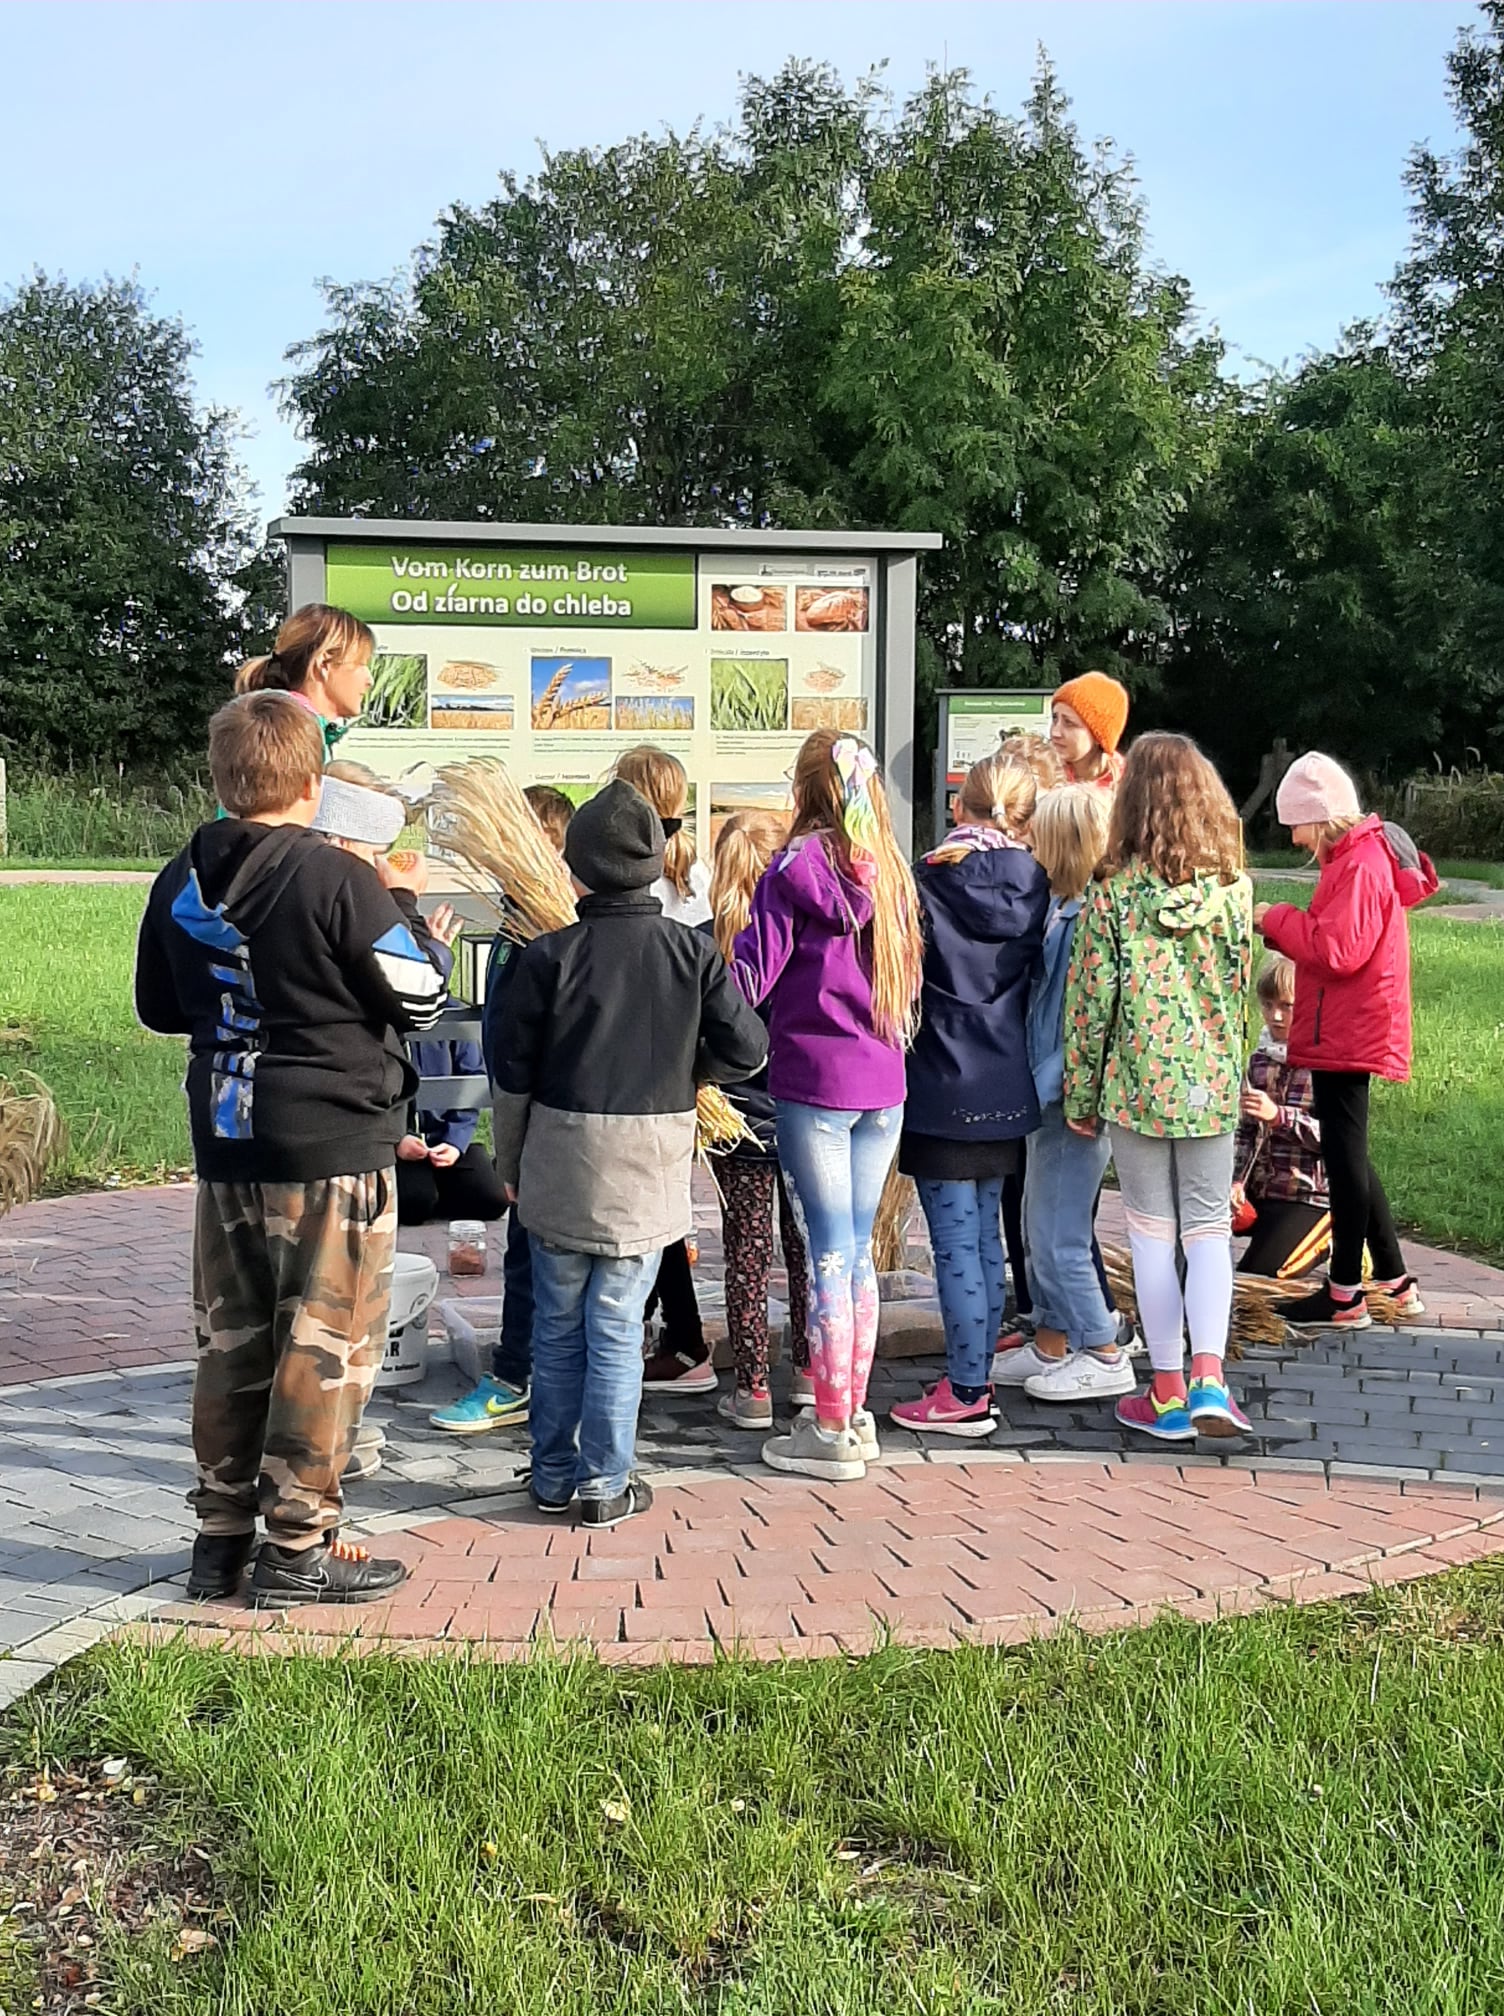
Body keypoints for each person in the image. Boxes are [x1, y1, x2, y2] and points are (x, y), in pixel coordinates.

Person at [134, 693, 449, 1606]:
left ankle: (218, 1543)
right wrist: (405, 904)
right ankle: (299, 1551)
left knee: (231, 1346)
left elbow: (159, 1007)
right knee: (325, 1350)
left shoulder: (180, 877)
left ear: (221, 778)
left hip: (228, 1143)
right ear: (312, 783)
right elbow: (421, 998)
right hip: (332, 1148)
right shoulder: (336, 880)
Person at [492, 780, 766, 1527]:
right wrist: (690, 1071)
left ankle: (549, 1474)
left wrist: (510, 1165)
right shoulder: (692, 952)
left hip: (559, 1157)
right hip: (648, 1163)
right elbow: (748, 1048)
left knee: (555, 1322)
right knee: (617, 1323)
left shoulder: (546, 957)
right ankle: (605, 1483)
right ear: (656, 865)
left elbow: (510, 1076)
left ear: (573, 870)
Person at [732, 731, 924, 1482]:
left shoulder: (791, 869)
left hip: (814, 1080)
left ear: (804, 790)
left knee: (827, 1254)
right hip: (885, 1082)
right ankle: (855, 1415)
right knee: (859, 1259)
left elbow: (754, 975)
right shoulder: (895, 875)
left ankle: (830, 1426)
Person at [1063, 732, 1253, 1441]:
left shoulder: (1109, 897)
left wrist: (1081, 1096)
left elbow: (1089, 1004)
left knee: (1149, 1233)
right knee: (1207, 1233)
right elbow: (1239, 997)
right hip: (1208, 1084)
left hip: (1135, 1084)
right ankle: (1211, 1379)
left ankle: (1166, 1391)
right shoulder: (1235, 892)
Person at [889, 755, 1049, 1436]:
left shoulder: (925, 880)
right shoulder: (1038, 885)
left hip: (938, 1077)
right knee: (985, 1239)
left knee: (954, 1244)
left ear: (961, 805)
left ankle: (966, 1390)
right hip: (1006, 1077)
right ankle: (974, 1374)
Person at [1256, 753, 1437, 1328]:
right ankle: (1393, 1277)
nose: (1291, 835)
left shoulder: (1359, 865)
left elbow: (1337, 950)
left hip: (1349, 1028)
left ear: (1321, 815)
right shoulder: (1354, 858)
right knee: (1349, 1150)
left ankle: (1343, 1294)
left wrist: (1273, 917)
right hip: (1346, 1025)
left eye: (1296, 823)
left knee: (1345, 1156)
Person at [433, 784, 575, 1435]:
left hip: (548, 1118)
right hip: (527, 1112)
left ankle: (517, 1376)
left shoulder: (546, 931)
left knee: (530, 1248)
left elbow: (528, 1044)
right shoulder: (518, 922)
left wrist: (512, 1145)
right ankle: (536, 1373)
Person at [309, 765, 498, 1229]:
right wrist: (405, 907)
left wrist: (453, 1137)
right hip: (355, 1133)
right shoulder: (345, 896)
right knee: (406, 1207)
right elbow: (419, 997)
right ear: (344, 837)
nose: (383, 864)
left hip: (293, 1127)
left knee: (482, 1195)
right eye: (377, 850)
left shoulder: (282, 885)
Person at [1005, 785, 1137, 1404]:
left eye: (1040, 838)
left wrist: (1039, 1085)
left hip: (1065, 1103)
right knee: (1039, 1230)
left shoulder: (1086, 919)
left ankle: (1103, 1350)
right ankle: (1053, 1339)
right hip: (1048, 1098)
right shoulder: (1064, 909)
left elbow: (1083, 1021)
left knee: (1059, 1238)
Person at [702, 810, 813, 1428]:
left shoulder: (705, 943)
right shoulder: (802, 938)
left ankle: (750, 1387)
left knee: (745, 1252)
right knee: (805, 1248)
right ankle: (807, 1370)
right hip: (798, 1112)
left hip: (733, 1119)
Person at [614, 746, 716, 1392]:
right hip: (682, 1061)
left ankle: (673, 1336)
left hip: (635, 1065)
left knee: (642, 1212)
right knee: (667, 1207)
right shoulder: (695, 872)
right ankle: (674, 1333)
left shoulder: (636, 872)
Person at [1232, 953, 1332, 1282]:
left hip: (1309, 1196)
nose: (1275, 1016)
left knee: (1259, 1280)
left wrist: (1280, 1118)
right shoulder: (1259, 1060)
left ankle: (1340, 1239)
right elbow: (1244, 1132)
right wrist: (1235, 1181)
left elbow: (1339, 1140)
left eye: (1287, 1006)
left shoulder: (1327, 1063)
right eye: (1267, 1004)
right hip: (1264, 1192)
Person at [234, 603, 375, 761]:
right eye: (360, 664)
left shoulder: (281, 725)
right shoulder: (287, 734)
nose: (370, 680)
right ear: (323, 664)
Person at [1048, 671, 1129, 793]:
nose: (1055, 732)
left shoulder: (1126, 786)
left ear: (1098, 736)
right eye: (1055, 719)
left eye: (1069, 723)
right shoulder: (1042, 774)